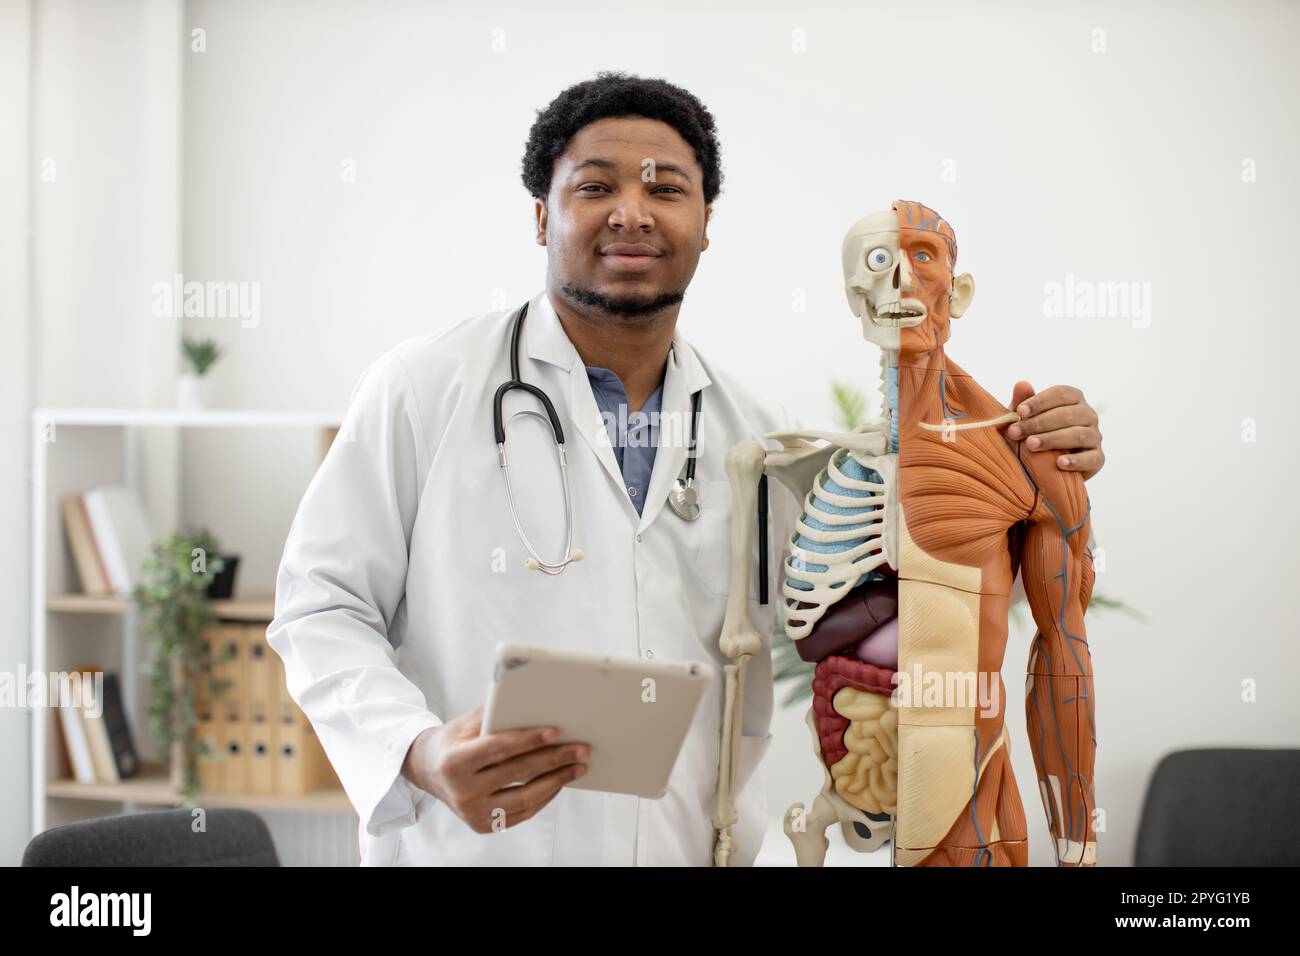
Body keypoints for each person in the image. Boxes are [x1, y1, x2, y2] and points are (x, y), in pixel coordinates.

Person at [266, 71, 1106, 866]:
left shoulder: (756, 430)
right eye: (595, 186)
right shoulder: (423, 388)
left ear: (706, 225)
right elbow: (319, 605)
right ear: (540, 217)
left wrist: (1029, 458)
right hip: (478, 847)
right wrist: (414, 749)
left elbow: (874, 614)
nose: (632, 212)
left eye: (666, 189)